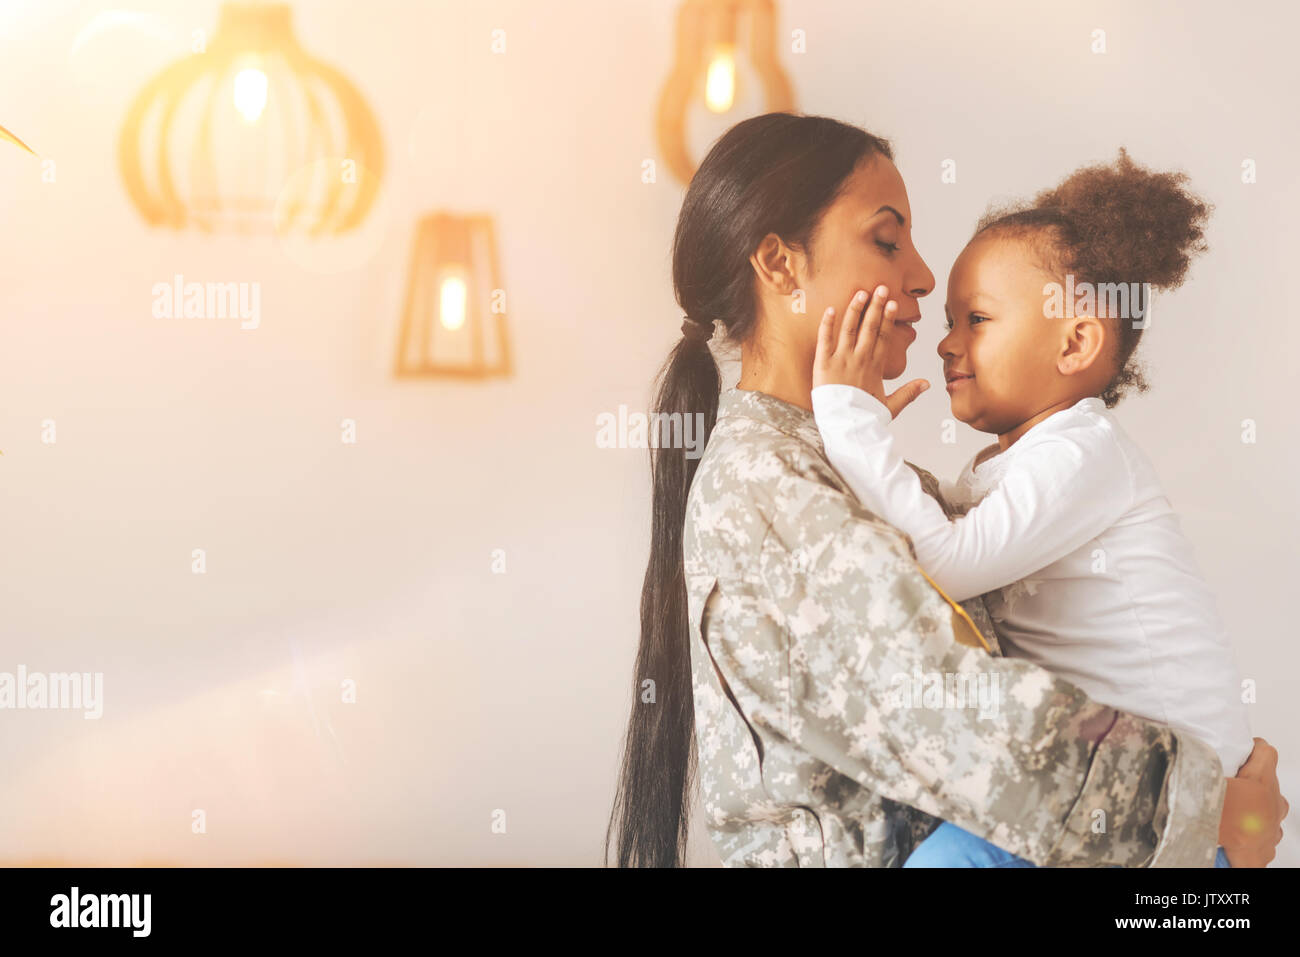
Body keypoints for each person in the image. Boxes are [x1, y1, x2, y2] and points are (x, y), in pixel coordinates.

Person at [606, 113, 1286, 868]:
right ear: (781, 265)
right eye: (887, 240)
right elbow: (955, 711)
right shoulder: (768, 482)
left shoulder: (817, 468)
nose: (924, 278)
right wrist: (1203, 813)